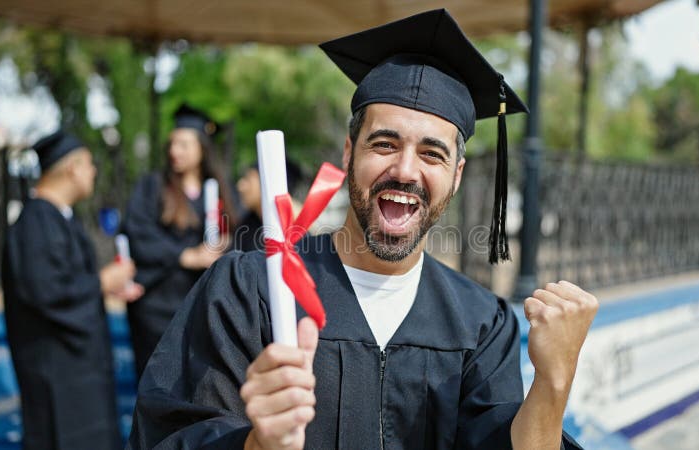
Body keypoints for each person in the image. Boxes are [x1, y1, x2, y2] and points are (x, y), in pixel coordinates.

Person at [127, 9, 597, 450]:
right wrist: (256, 443)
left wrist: (553, 384)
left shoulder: (481, 324)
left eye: (432, 154)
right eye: (385, 144)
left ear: (456, 176)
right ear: (349, 153)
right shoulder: (249, 290)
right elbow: (169, 434)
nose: (405, 170)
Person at [2, 130, 143, 450]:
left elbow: (66, 284)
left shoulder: (59, 219)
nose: (93, 172)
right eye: (89, 164)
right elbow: (46, 292)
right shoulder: (37, 222)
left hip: (79, 378)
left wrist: (103, 289)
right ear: (72, 168)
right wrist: (101, 282)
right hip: (57, 381)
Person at [122, 103, 237, 379]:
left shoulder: (220, 190)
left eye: (184, 145)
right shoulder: (153, 186)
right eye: (172, 144)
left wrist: (225, 243)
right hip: (158, 306)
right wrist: (186, 255)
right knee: (160, 379)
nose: (175, 151)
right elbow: (138, 234)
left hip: (203, 303)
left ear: (202, 148)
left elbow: (237, 231)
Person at [234, 159, 304, 252]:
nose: (240, 186)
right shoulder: (248, 226)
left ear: (268, 185)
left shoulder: (298, 230)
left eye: (248, 179)